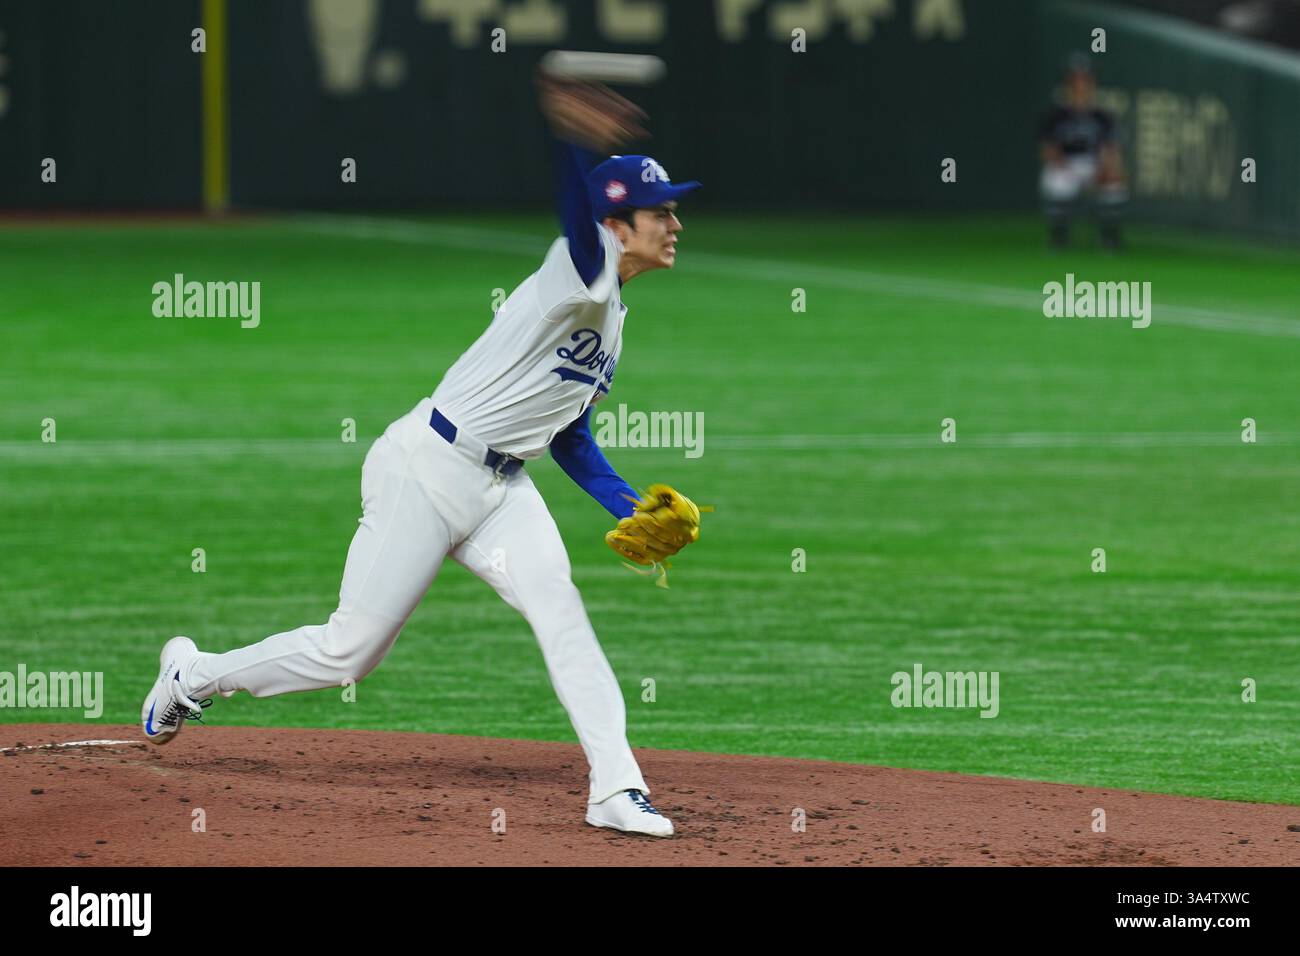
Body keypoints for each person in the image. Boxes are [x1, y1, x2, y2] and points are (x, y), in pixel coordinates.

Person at [139, 73, 702, 838]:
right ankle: (192, 676)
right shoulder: (585, 267)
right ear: (617, 220)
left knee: (562, 613)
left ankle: (615, 788)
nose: (674, 223)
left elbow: (568, 431)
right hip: (424, 470)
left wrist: (622, 501)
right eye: (660, 210)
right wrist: (575, 140)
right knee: (349, 654)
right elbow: (576, 218)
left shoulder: (612, 316)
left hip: (503, 492)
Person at [1038, 54, 1128, 250]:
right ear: (1068, 83)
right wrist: (1064, 166)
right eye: (1076, 80)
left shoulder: (1102, 116)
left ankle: (1109, 237)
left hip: (1094, 164)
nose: (1081, 85)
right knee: (1056, 180)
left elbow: (1112, 149)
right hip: (1066, 164)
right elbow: (1048, 150)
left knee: (1114, 182)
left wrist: (1106, 168)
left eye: (1085, 79)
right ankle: (1059, 236)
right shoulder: (1056, 115)